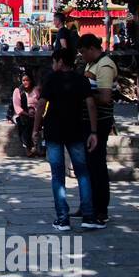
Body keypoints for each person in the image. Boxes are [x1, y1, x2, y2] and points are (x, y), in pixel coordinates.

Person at [32, 45, 98, 231]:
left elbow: (40, 105)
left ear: (60, 62)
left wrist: (36, 129)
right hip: (76, 130)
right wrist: (93, 132)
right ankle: (89, 216)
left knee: (58, 176)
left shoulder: (51, 79)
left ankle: (62, 218)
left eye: (54, 61)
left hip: (54, 131)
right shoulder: (81, 80)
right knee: (82, 173)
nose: (53, 65)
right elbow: (91, 105)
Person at [79, 33, 118, 227]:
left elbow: (104, 97)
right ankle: (88, 203)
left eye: (84, 52)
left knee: (97, 165)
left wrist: (83, 95)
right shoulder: (91, 65)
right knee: (87, 165)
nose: (83, 56)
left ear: (92, 49)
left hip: (100, 121)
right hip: (87, 121)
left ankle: (101, 209)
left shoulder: (105, 65)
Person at [9, 68, 39, 156]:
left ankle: (40, 147)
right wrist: (27, 113)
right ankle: (28, 148)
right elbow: (17, 107)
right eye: (23, 80)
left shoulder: (36, 90)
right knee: (25, 125)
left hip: (35, 113)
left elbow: (39, 103)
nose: (25, 82)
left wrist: (35, 112)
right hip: (22, 114)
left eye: (27, 80)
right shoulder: (18, 91)